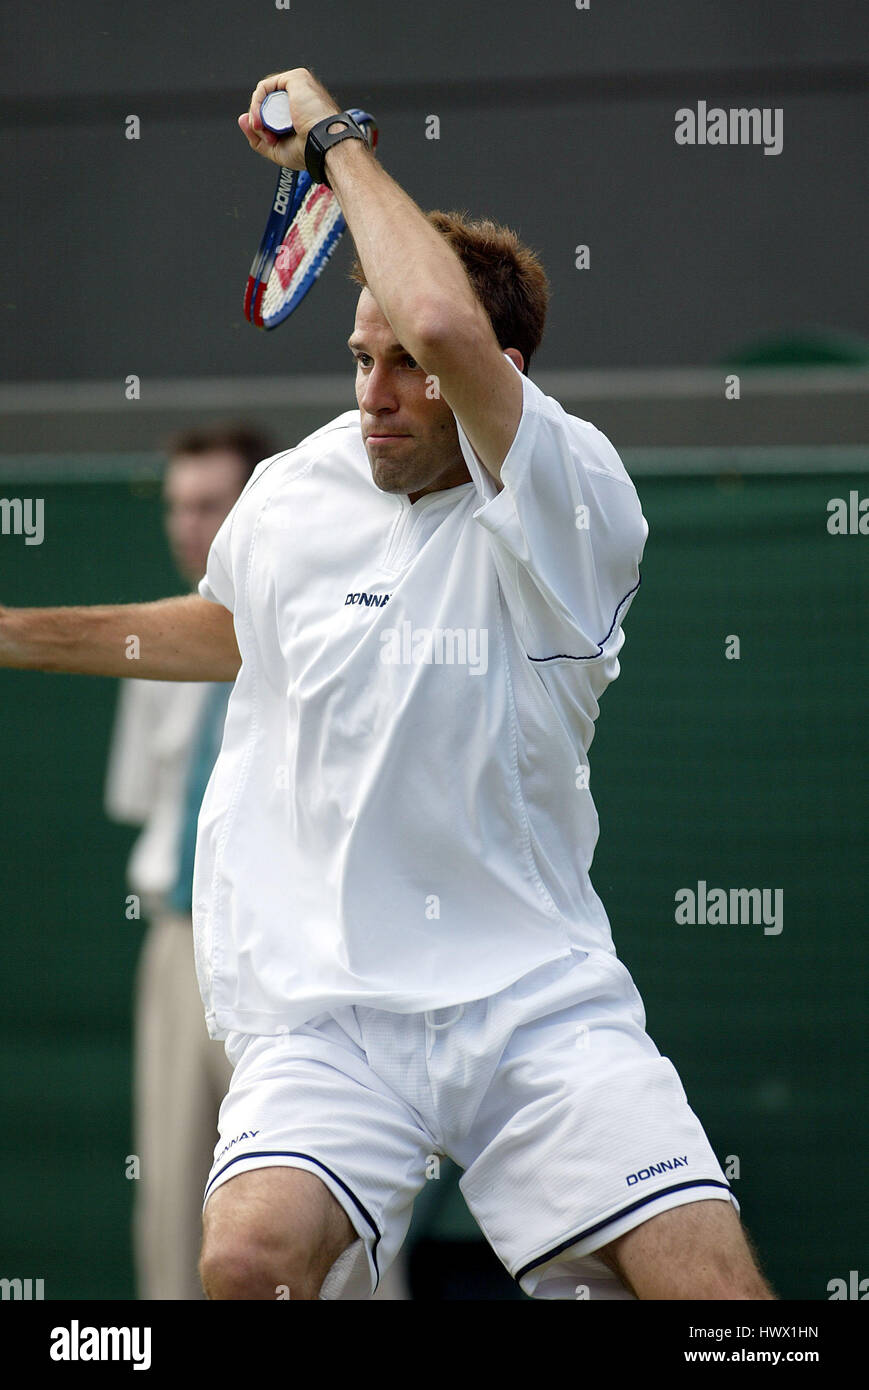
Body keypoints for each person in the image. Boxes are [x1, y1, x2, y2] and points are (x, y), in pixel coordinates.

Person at [0, 66, 776, 1301]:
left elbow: (451, 323)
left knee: (717, 1300)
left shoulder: (576, 492)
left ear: (495, 372)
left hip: (535, 1000)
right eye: (360, 359)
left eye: (405, 364)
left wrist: (333, 142)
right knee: (245, 1262)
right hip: (331, 1011)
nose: (373, 394)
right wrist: (16, 632)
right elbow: (230, 631)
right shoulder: (303, 487)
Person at [103, 425, 271, 1300]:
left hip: (284, 960)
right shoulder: (148, 650)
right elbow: (144, 807)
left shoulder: (313, 640)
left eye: (208, 505)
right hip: (175, 946)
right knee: (170, 1201)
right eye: (175, 506)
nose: (185, 525)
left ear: (255, 511)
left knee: (309, 1202)